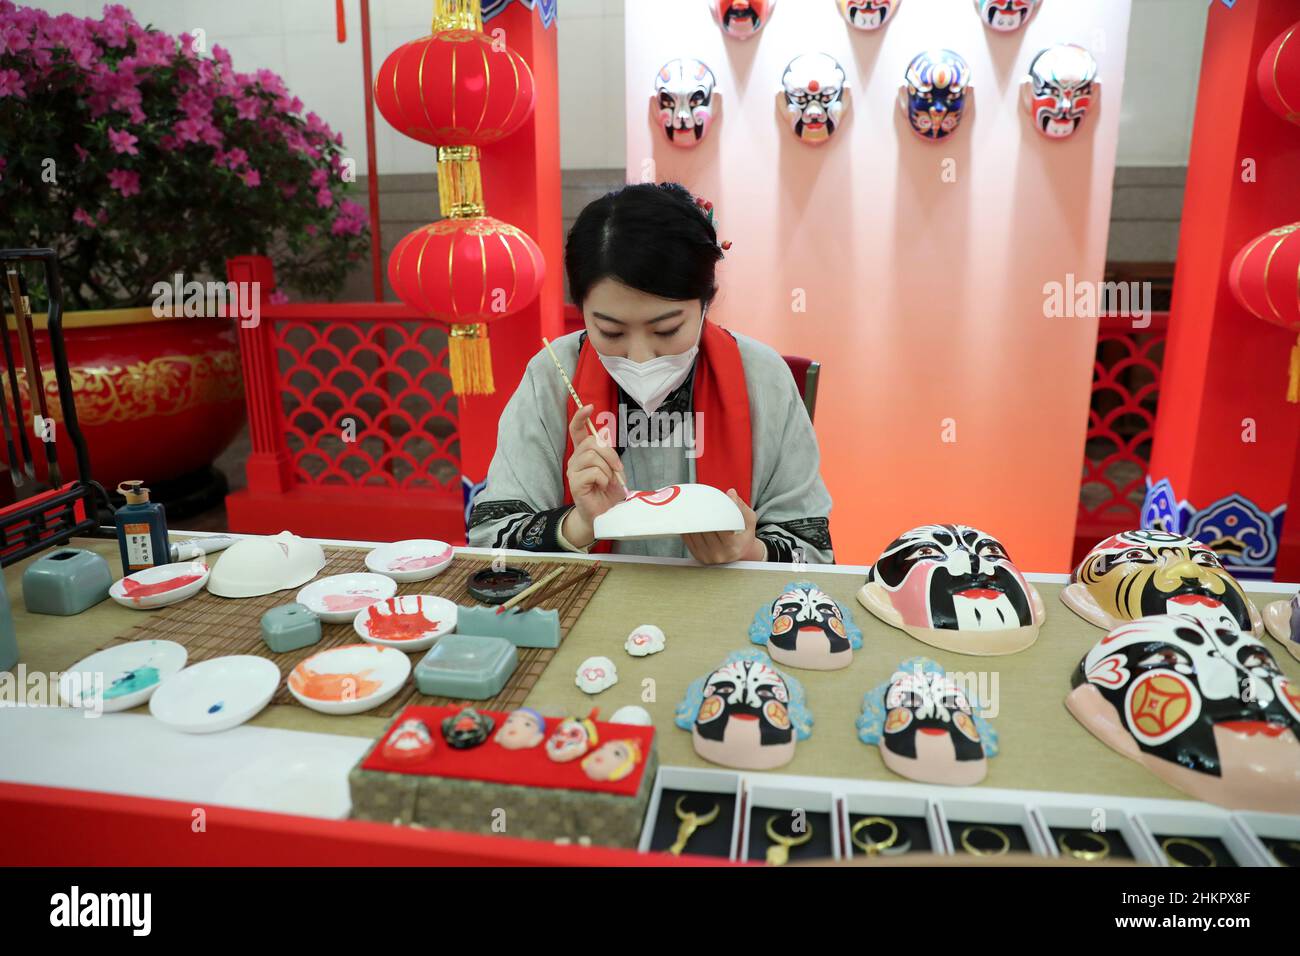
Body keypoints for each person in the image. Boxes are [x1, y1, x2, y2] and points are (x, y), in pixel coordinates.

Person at [467, 182, 833, 564]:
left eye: (666, 330)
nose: (640, 358)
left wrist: (751, 550)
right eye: (611, 332)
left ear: (705, 302)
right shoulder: (553, 376)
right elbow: (489, 544)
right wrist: (578, 524)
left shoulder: (761, 376)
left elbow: (815, 552)